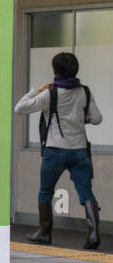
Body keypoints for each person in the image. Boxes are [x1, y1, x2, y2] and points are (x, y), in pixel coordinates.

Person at [15, 51, 104, 249]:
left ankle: (44, 233)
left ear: (56, 70)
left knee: (46, 192)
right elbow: (97, 119)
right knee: (85, 192)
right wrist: (82, 119)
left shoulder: (50, 93)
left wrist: (36, 90)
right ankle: (93, 233)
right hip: (79, 151)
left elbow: (19, 108)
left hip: (55, 151)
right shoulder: (85, 92)